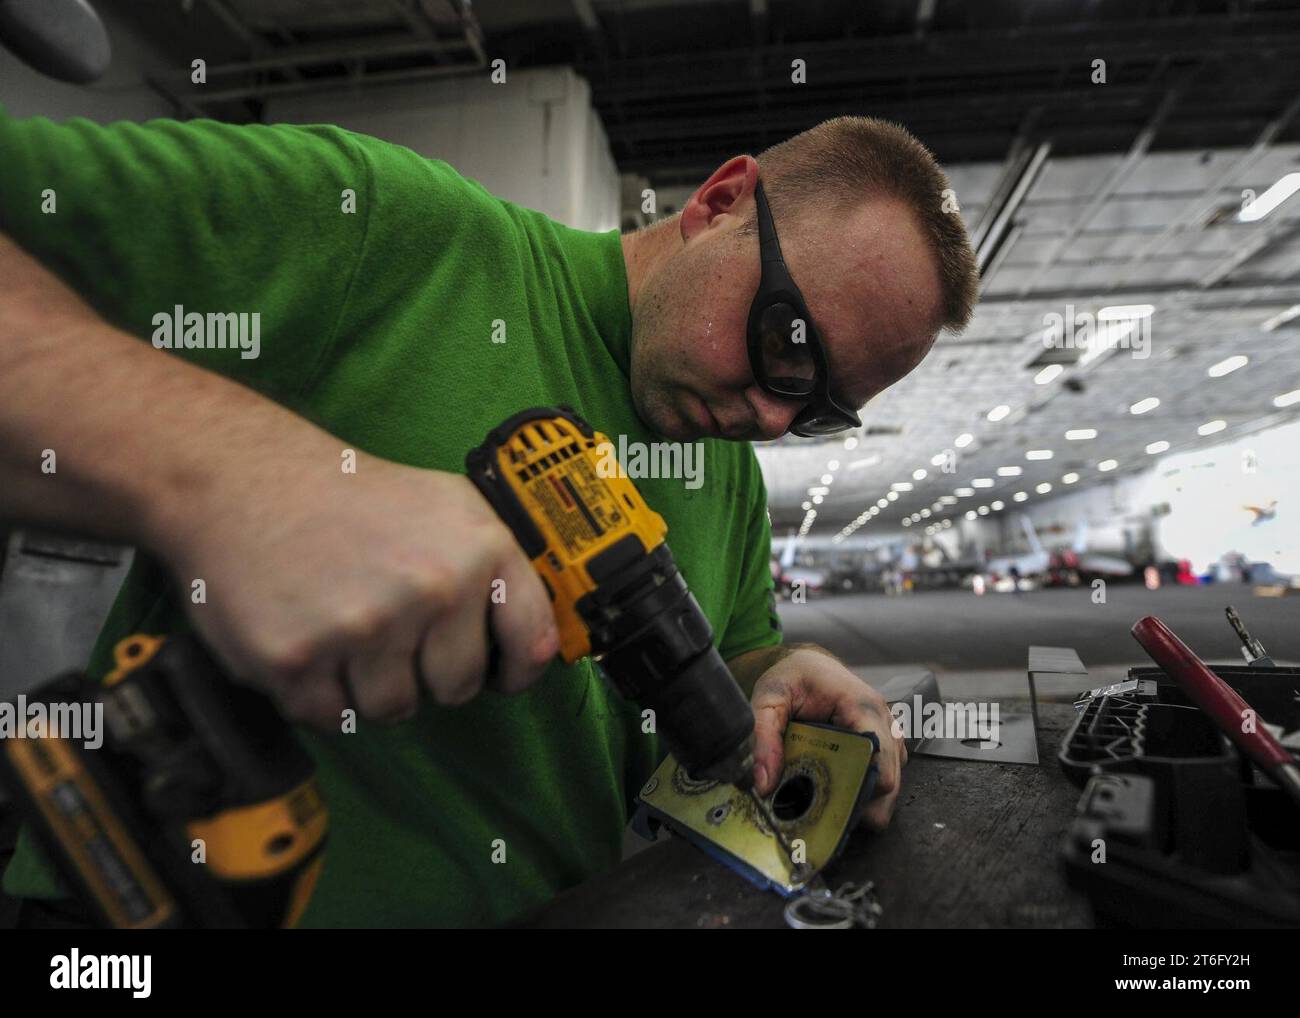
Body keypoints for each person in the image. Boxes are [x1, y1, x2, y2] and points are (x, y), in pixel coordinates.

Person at [0, 110, 978, 926]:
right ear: (720, 202)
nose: (772, 414)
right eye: (784, 346)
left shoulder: (726, 474)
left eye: (819, 410)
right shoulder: (391, 236)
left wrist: (778, 673)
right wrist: (225, 473)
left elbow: (725, 663)